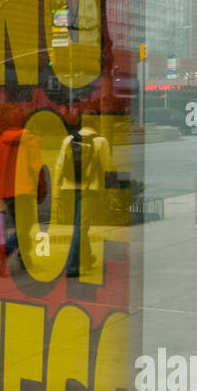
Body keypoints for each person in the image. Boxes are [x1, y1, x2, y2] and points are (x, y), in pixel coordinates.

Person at [54, 109, 113, 279]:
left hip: (68, 189)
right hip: (89, 190)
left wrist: (58, 192)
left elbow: (59, 167)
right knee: (81, 226)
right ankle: (72, 266)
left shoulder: (68, 140)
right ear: (96, 123)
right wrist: (110, 192)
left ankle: (86, 259)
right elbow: (108, 169)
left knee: (80, 225)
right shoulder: (100, 142)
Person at [0, 112, 44, 273]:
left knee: (21, 225)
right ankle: (6, 249)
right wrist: (41, 189)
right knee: (26, 225)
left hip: (7, 191)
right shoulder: (30, 140)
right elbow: (37, 168)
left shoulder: (1, 142)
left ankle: (24, 258)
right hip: (25, 190)